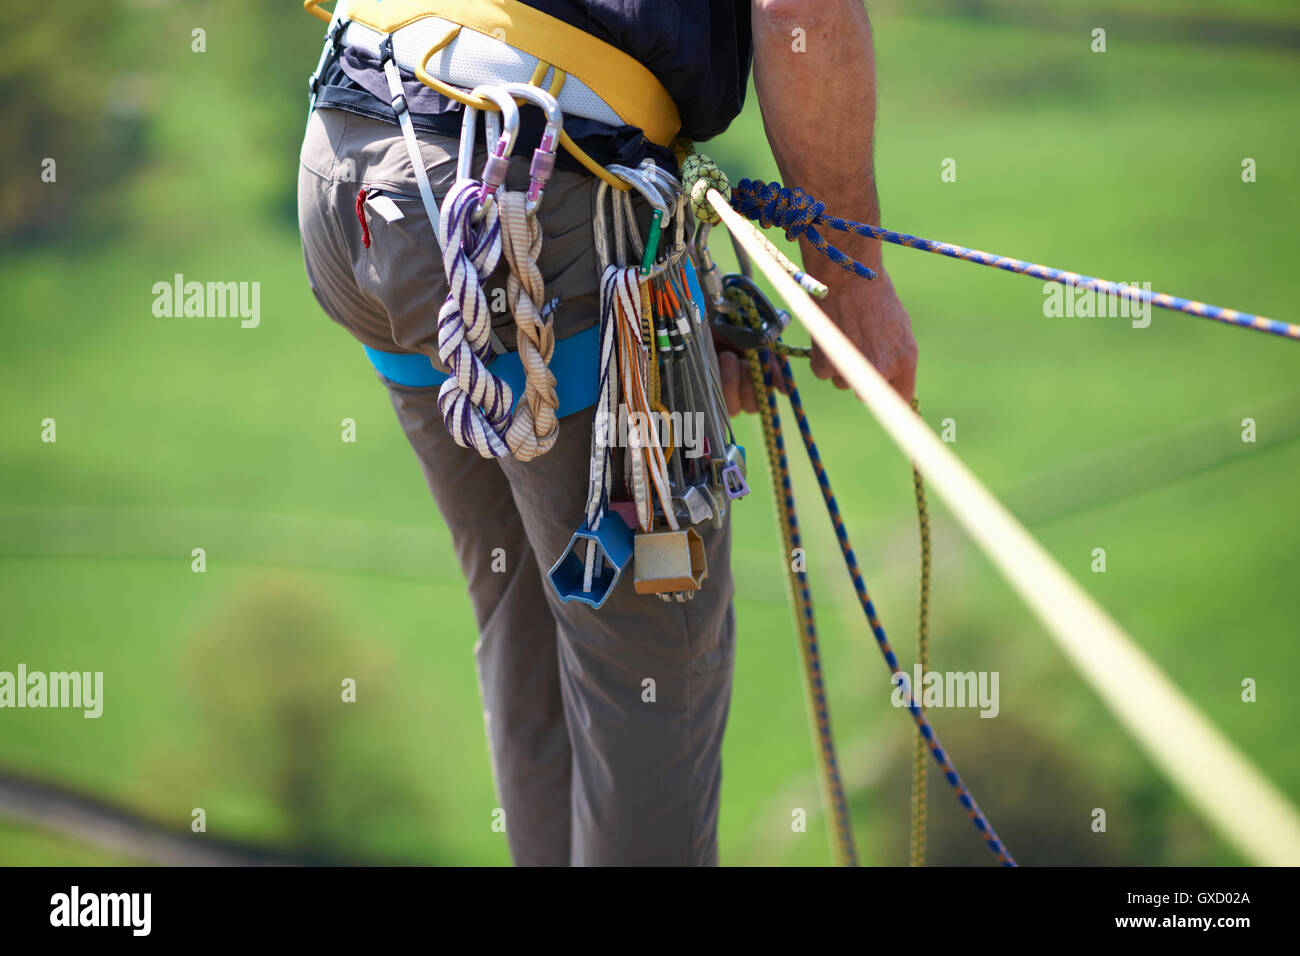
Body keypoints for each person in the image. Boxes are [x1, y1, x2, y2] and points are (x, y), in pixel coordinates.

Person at [297, 0, 916, 866]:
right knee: (653, 673)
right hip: (515, 207)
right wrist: (850, 275)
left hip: (357, 161)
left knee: (526, 611)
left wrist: (678, 333)